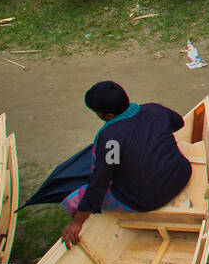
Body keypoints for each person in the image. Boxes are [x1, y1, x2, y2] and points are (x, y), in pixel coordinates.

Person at [59, 82, 195, 249]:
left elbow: (100, 183)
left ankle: (87, 221)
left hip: (145, 200)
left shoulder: (111, 140)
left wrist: (77, 222)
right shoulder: (155, 110)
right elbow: (178, 123)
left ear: (107, 116)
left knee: (77, 198)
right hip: (181, 174)